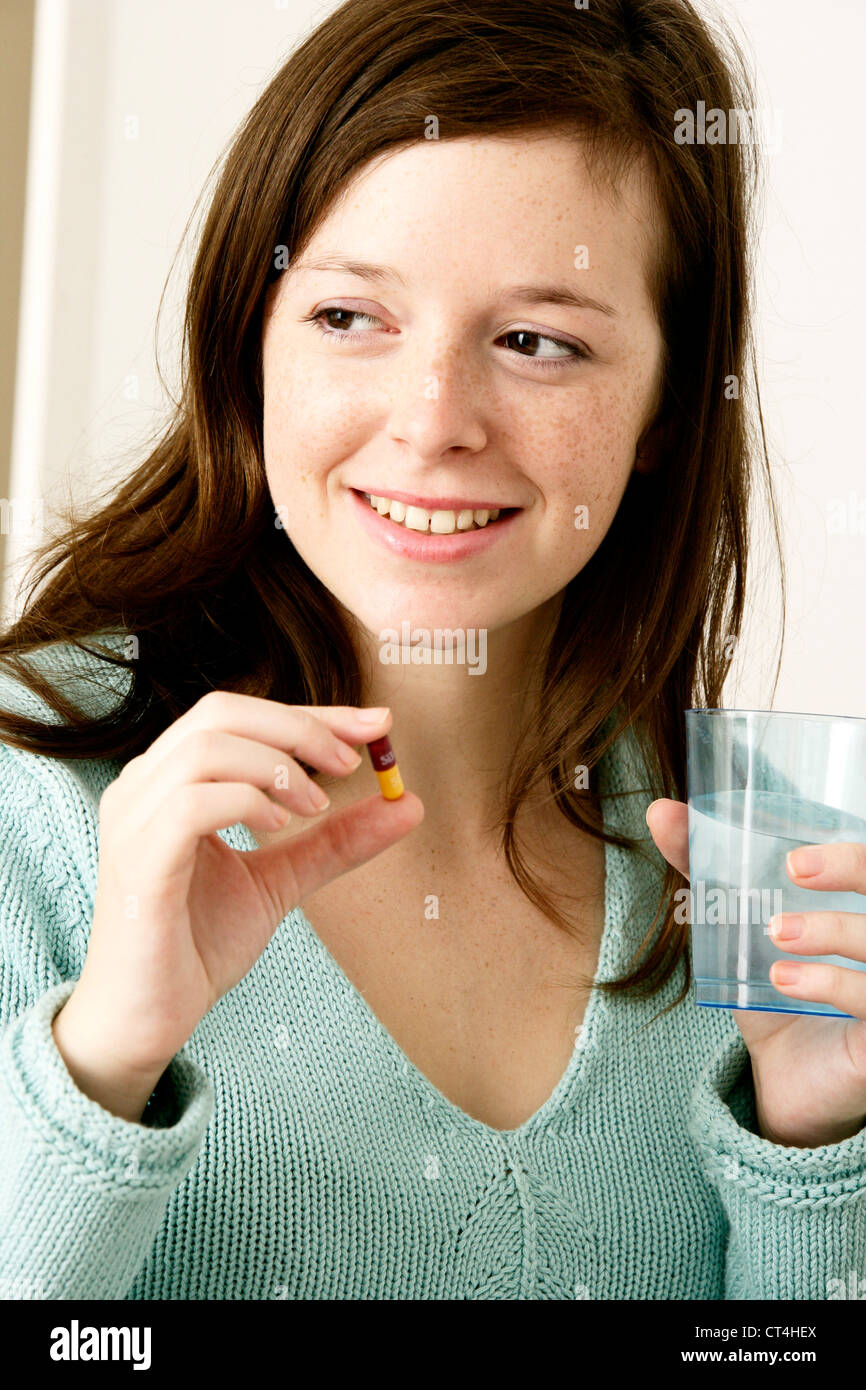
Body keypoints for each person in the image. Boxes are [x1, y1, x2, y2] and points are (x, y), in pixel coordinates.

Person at [1, 0, 863, 1303]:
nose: (430, 422)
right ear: (253, 341)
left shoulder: (753, 871)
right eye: (352, 316)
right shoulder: (33, 791)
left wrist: (812, 1148)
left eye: (536, 341)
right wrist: (99, 1062)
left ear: (662, 413)